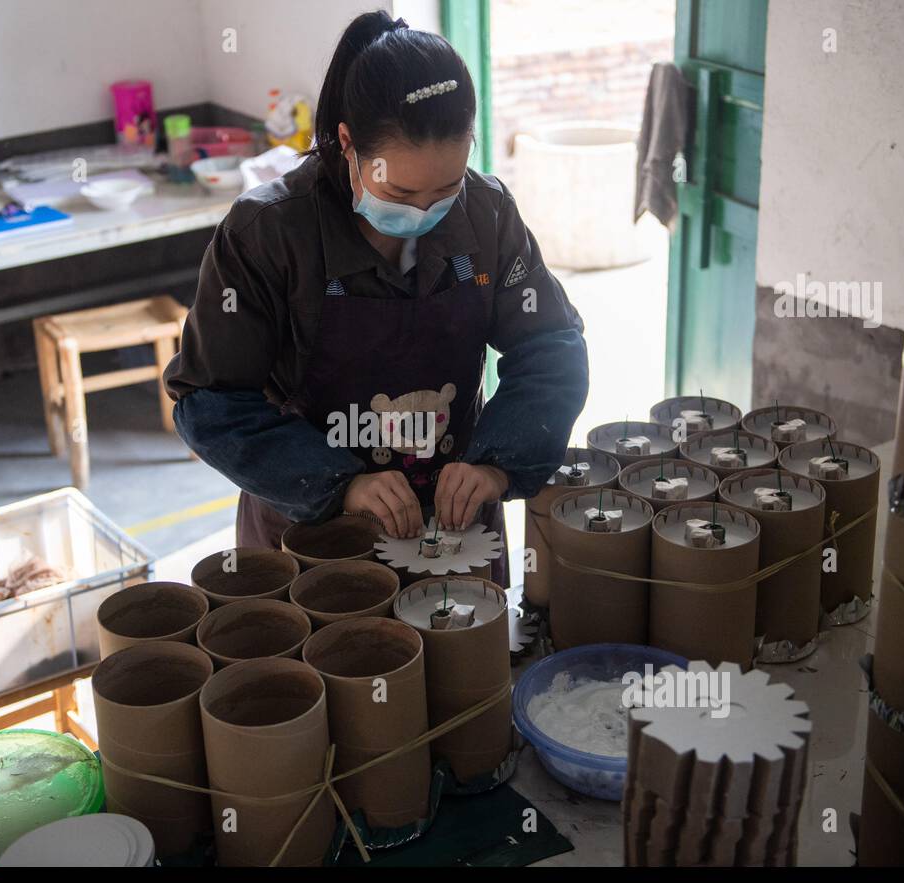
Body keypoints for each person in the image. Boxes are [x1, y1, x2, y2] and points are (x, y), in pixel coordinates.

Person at [165, 11, 588, 584]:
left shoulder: (486, 216)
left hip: (454, 526)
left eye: (446, 188)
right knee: (328, 668)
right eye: (400, 191)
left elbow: (550, 344)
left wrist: (496, 464)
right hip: (313, 537)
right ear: (348, 145)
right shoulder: (267, 233)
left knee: (469, 667)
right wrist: (339, 483)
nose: (422, 213)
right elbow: (211, 398)